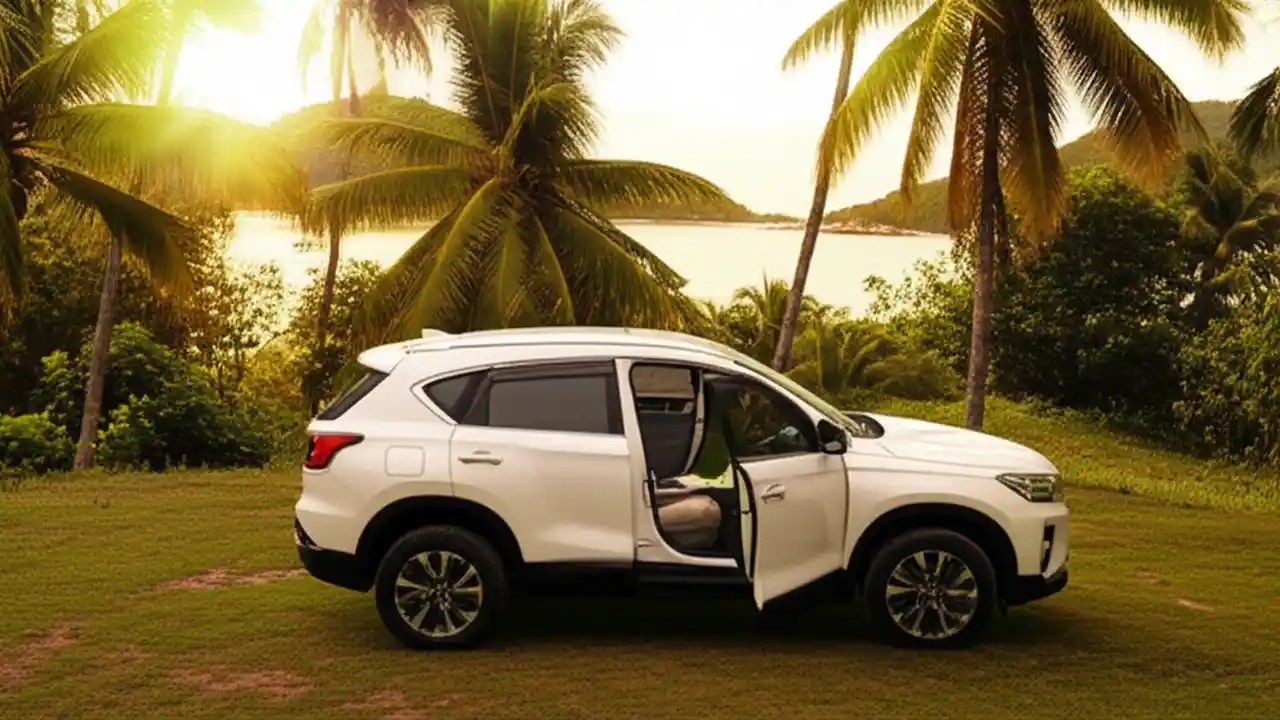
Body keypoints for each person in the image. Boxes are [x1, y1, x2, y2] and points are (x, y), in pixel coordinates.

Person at [655, 384, 735, 550]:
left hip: (688, 484)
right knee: (709, 513)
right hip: (709, 487)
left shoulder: (698, 431)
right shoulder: (708, 436)